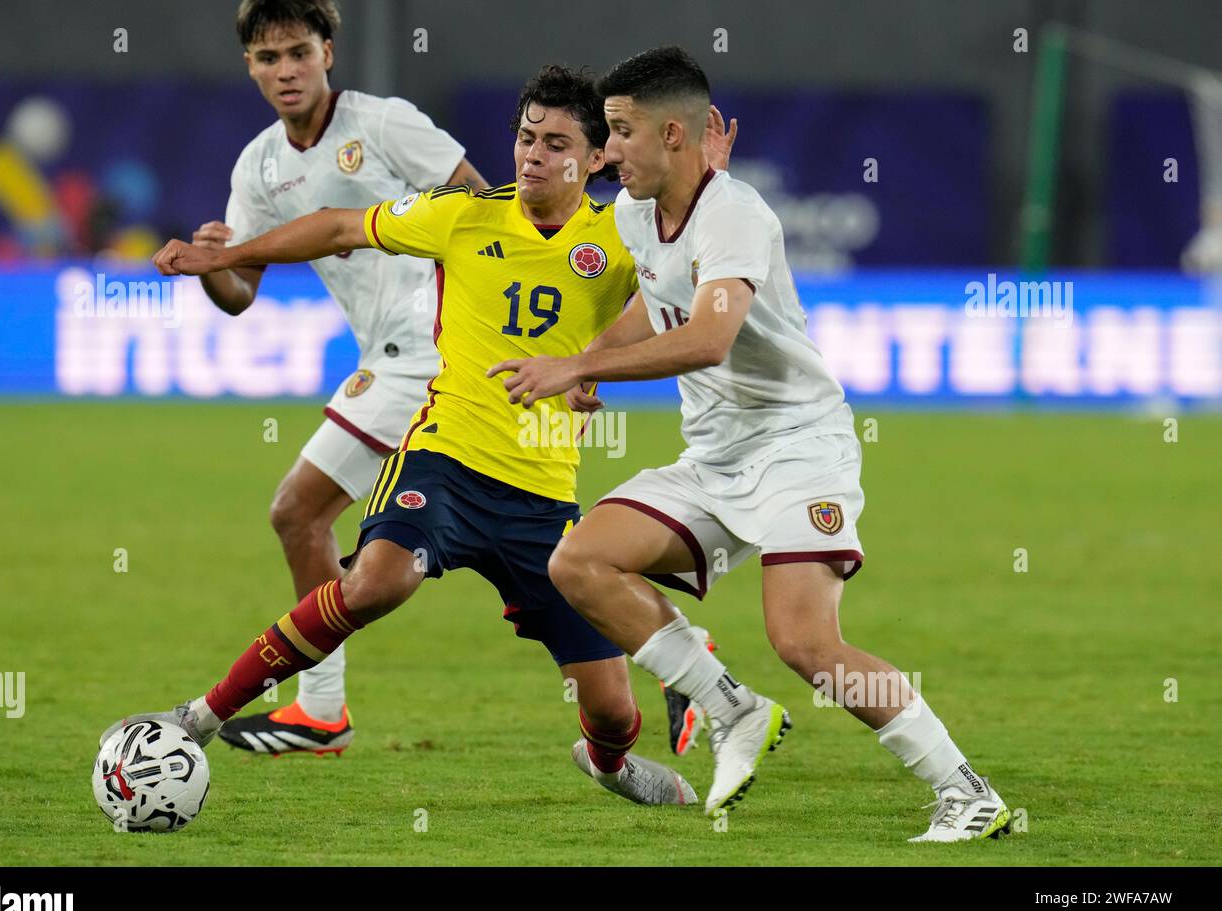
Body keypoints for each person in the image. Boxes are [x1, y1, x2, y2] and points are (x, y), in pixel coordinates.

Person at [111, 66, 732, 806]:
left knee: (610, 711)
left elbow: (679, 303)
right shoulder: (463, 216)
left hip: (543, 499)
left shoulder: (621, 236)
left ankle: (608, 766)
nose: (532, 155)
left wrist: (595, 366)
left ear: (596, 158)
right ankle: (203, 715)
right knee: (377, 579)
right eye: (526, 137)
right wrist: (229, 255)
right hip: (445, 461)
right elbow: (343, 224)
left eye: (556, 143)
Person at [490, 46, 1012, 841]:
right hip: (716, 455)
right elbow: (661, 307)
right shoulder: (635, 212)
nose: (606, 150)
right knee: (580, 562)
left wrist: (579, 363)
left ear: (672, 134)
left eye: (621, 132)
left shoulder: (738, 214)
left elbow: (706, 339)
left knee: (806, 642)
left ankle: (968, 792)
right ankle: (731, 707)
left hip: (798, 448)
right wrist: (596, 368)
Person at [198, 0, 486, 755]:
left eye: (298, 52)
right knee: (531, 548)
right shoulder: (259, 166)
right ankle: (684, 664)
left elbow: (488, 213)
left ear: (329, 51)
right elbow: (239, 291)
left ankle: (321, 710)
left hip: (435, 352)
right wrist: (208, 264)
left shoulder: (384, 123)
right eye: (269, 59)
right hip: (387, 360)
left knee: (299, 511)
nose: (286, 71)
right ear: (250, 68)